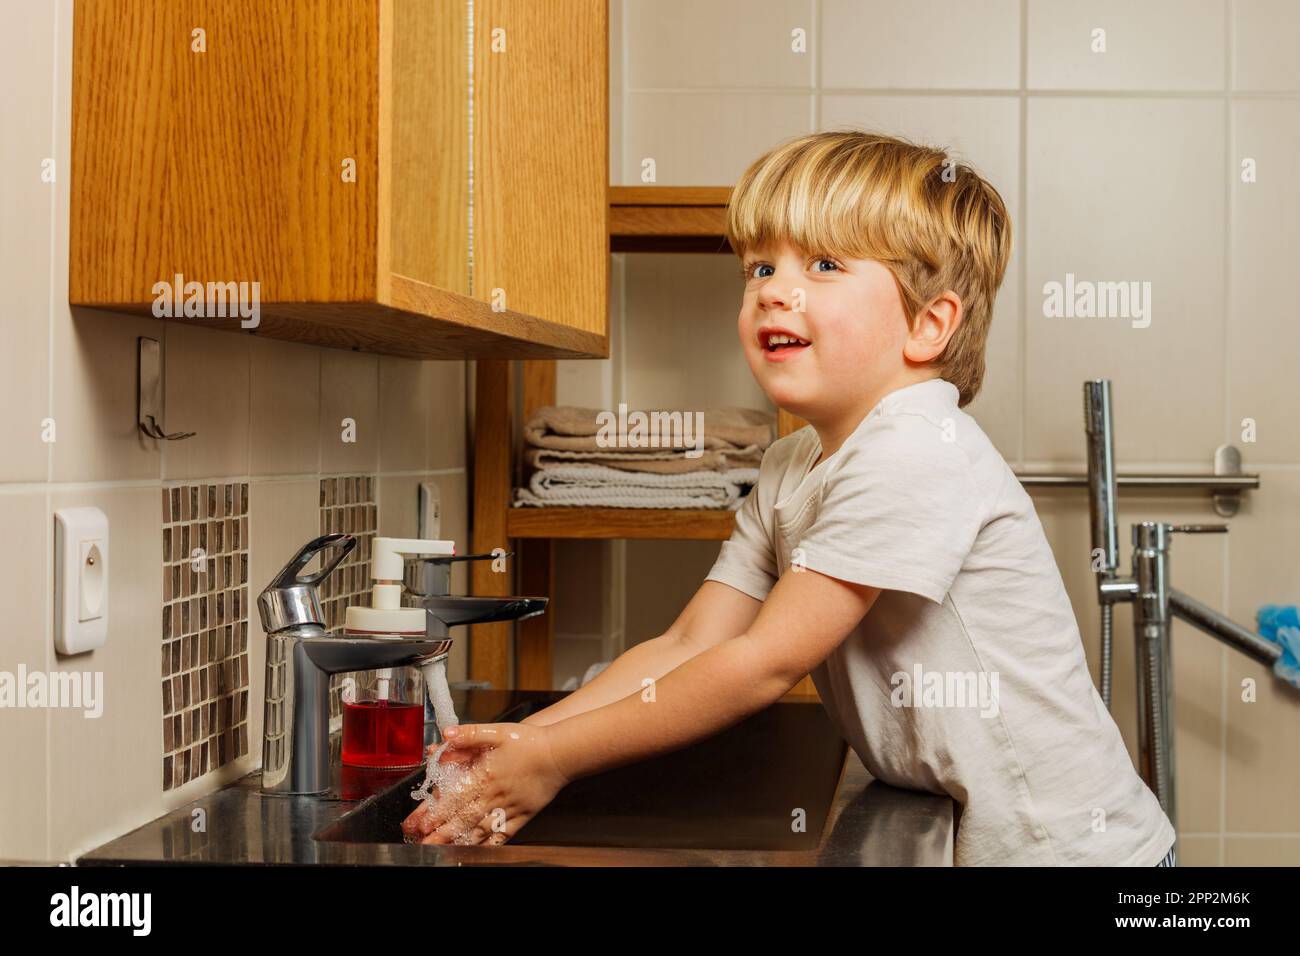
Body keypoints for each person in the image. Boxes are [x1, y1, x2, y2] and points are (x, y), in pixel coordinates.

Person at [401, 130, 1177, 866]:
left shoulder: (914, 450)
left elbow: (762, 665)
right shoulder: (792, 462)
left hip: (1073, 850)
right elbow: (691, 643)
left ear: (929, 324)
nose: (775, 292)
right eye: (760, 269)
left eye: (825, 266)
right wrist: (526, 742)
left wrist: (554, 762)